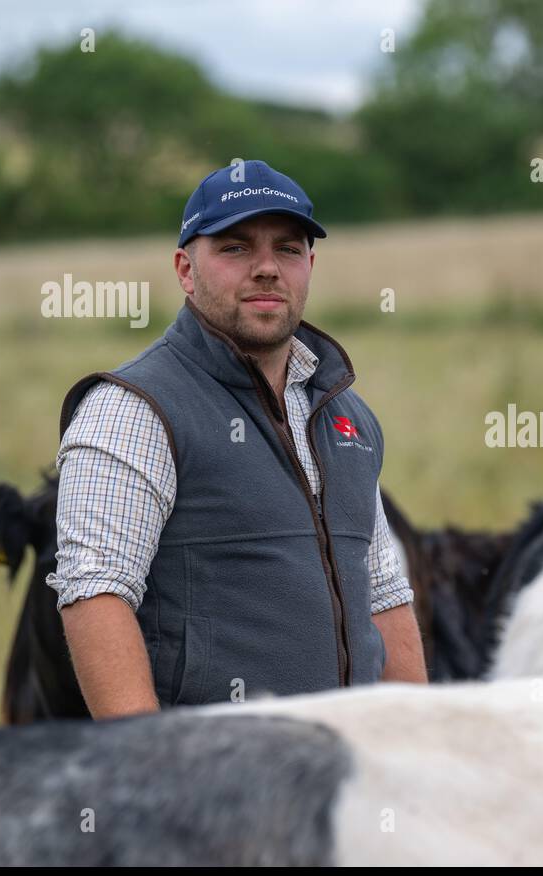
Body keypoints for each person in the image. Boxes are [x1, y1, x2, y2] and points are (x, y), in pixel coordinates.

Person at [47, 160, 426, 718]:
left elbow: (385, 594)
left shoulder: (347, 416)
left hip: (350, 774)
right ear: (184, 268)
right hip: (216, 781)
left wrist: (417, 746)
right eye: (235, 248)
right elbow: (95, 595)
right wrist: (153, 767)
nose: (267, 269)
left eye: (289, 249)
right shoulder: (131, 409)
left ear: (310, 265)